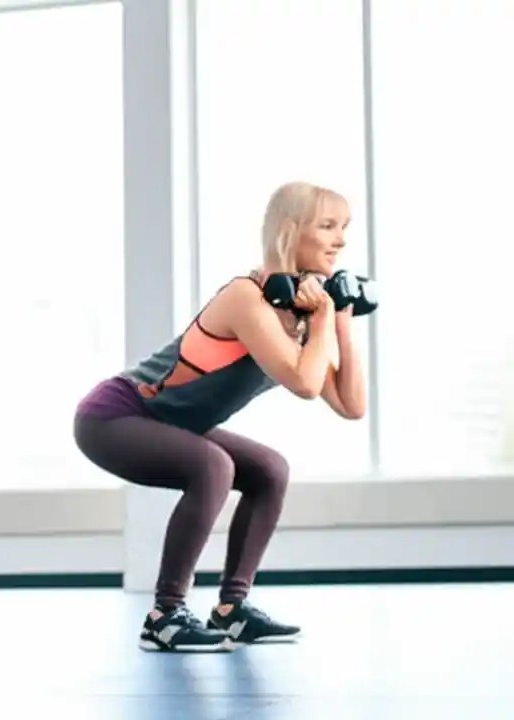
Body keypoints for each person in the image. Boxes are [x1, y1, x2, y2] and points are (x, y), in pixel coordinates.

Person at [74, 181, 367, 652]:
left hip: (169, 423)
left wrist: (340, 325)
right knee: (213, 465)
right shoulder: (246, 297)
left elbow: (350, 406)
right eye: (328, 226)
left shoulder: (303, 311)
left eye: (345, 228)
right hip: (115, 415)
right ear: (291, 232)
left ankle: (233, 609)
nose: (341, 240)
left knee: (270, 470)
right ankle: (164, 616)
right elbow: (307, 384)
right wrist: (324, 316)